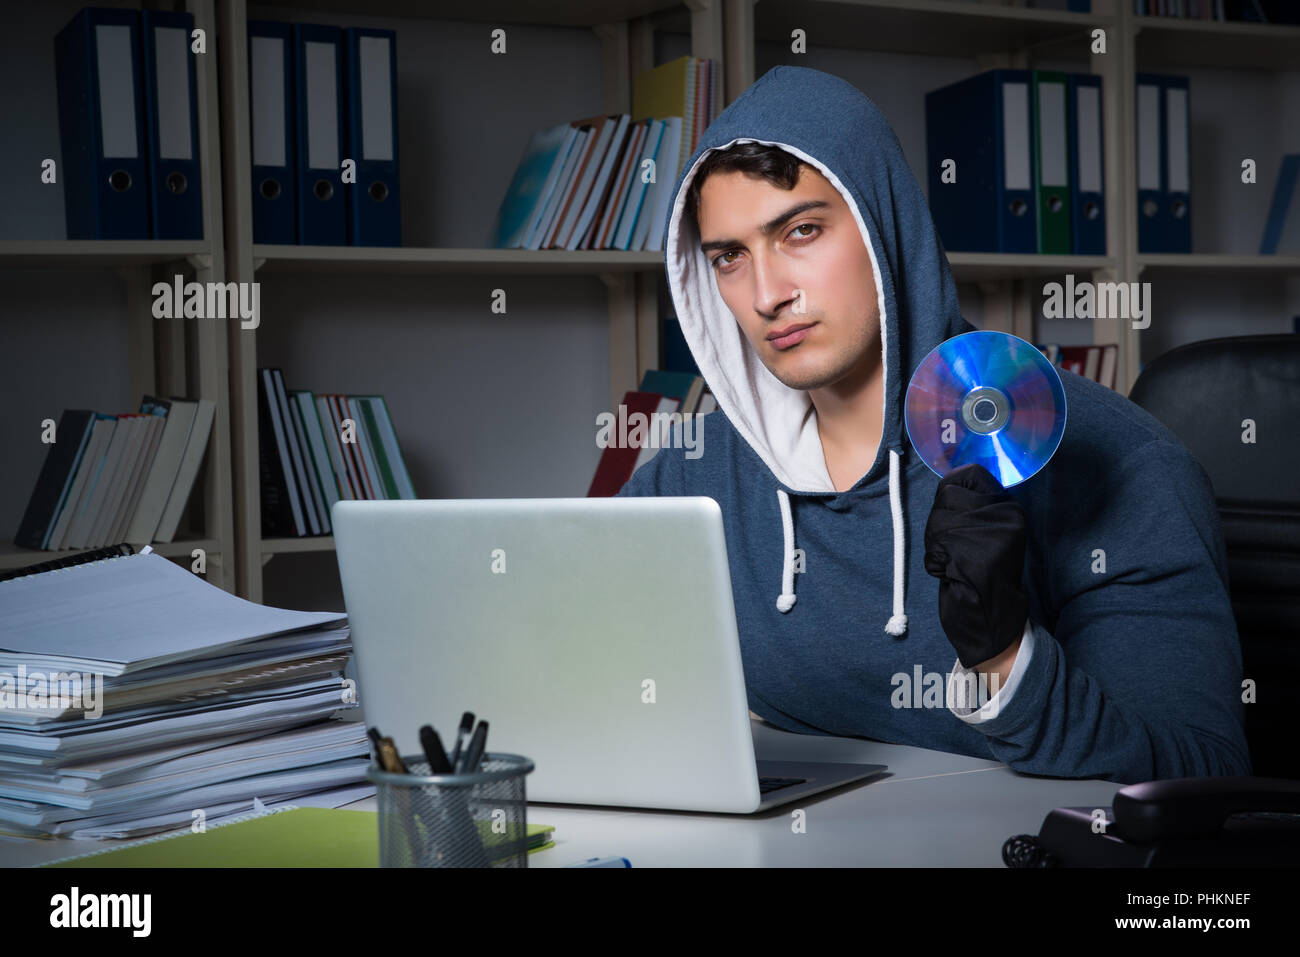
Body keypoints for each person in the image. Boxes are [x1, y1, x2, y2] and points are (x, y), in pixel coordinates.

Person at [617, 66, 1250, 784]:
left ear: (887, 226)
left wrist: (1006, 656)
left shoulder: (1117, 464)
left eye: (801, 231)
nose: (766, 295)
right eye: (729, 257)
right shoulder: (696, 475)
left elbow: (1202, 775)